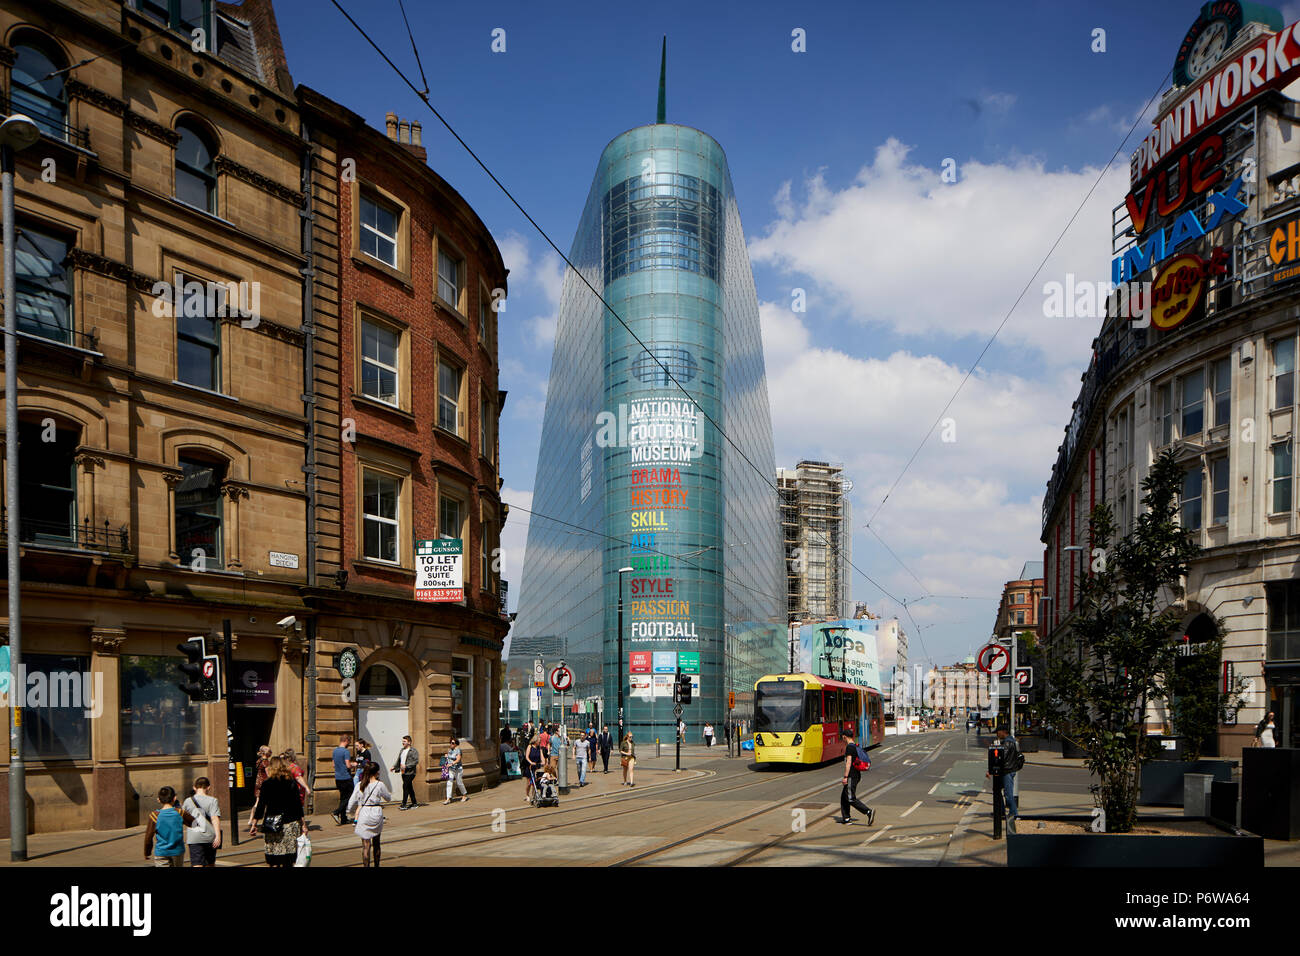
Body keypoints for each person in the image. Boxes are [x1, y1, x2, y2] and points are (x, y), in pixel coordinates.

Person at [250, 756, 305, 867]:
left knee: (274, 857)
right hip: (290, 823)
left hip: (272, 824)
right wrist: (303, 824)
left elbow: (261, 805)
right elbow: (298, 805)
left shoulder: (267, 784)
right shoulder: (291, 782)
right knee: (288, 858)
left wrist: (254, 823)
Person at [348, 760, 390, 866]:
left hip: (364, 813)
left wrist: (350, 811)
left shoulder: (359, 785)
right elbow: (388, 798)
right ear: (376, 772)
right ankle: (377, 865)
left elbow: (351, 802)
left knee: (366, 846)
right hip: (376, 813)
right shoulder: (380, 784)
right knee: (376, 843)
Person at [144, 786, 194, 867]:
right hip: (177, 851)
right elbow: (194, 823)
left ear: (159, 800)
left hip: (161, 852)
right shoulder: (180, 813)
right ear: (174, 798)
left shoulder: (154, 815)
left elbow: (148, 837)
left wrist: (147, 852)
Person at [182, 776, 223, 867]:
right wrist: (218, 836)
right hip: (210, 837)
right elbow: (215, 818)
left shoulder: (188, 801)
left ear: (194, 787)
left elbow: (182, 817)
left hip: (194, 837)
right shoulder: (213, 800)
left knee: (197, 863)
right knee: (210, 863)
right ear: (208, 787)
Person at [985, 724, 1020, 832]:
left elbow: (1000, 758)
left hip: (1007, 771)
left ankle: (1013, 814)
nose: (996, 734)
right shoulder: (1009, 741)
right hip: (1007, 770)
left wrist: (991, 770)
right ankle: (999, 811)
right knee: (997, 790)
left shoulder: (1008, 742)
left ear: (1003, 731)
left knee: (1008, 794)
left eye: (998, 732)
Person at [839, 728, 875, 825]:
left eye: (842, 736)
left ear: (844, 736)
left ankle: (868, 812)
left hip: (851, 776)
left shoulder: (849, 747)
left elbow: (848, 763)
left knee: (850, 798)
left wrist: (845, 777)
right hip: (856, 775)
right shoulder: (855, 746)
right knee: (844, 797)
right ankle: (846, 818)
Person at [332, 733, 356, 826]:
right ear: (346, 741)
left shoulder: (335, 751)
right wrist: (353, 765)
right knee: (349, 795)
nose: (349, 743)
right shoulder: (345, 751)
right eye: (349, 741)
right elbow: (348, 765)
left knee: (343, 798)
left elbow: (333, 764)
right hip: (346, 777)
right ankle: (336, 812)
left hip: (338, 777)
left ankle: (343, 819)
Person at [393, 734, 419, 809]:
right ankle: (414, 803)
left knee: (405, 786)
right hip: (403, 772)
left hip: (411, 772)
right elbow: (399, 760)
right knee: (409, 787)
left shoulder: (413, 751)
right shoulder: (402, 750)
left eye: (404, 741)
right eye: (402, 741)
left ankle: (404, 804)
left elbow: (416, 761)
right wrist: (394, 767)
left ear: (409, 742)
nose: (403, 742)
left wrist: (407, 766)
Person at [444, 735, 469, 804]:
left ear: (456, 744)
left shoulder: (458, 750)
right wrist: (446, 757)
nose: (451, 744)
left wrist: (452, 763)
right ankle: (448, 798)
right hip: (451, 769)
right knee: (449, 782)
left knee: (459, 783)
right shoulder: (449, 751)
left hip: (458, 769)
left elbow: (458, 759)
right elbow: (449, 758)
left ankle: (464, 795)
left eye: (452, 743)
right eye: (451, 743)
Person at [523, 734, 542, 804]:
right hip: (529, 766)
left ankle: (534, 795)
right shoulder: (530, 746)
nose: (539, 742)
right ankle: (527, 795)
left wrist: (543, 762)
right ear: (535, 741)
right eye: (539, 741)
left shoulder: (539, 748)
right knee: (529, 782)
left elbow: (541, 756)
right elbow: (527, 757)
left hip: (536, 766)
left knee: (535, 782)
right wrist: (531, 762)